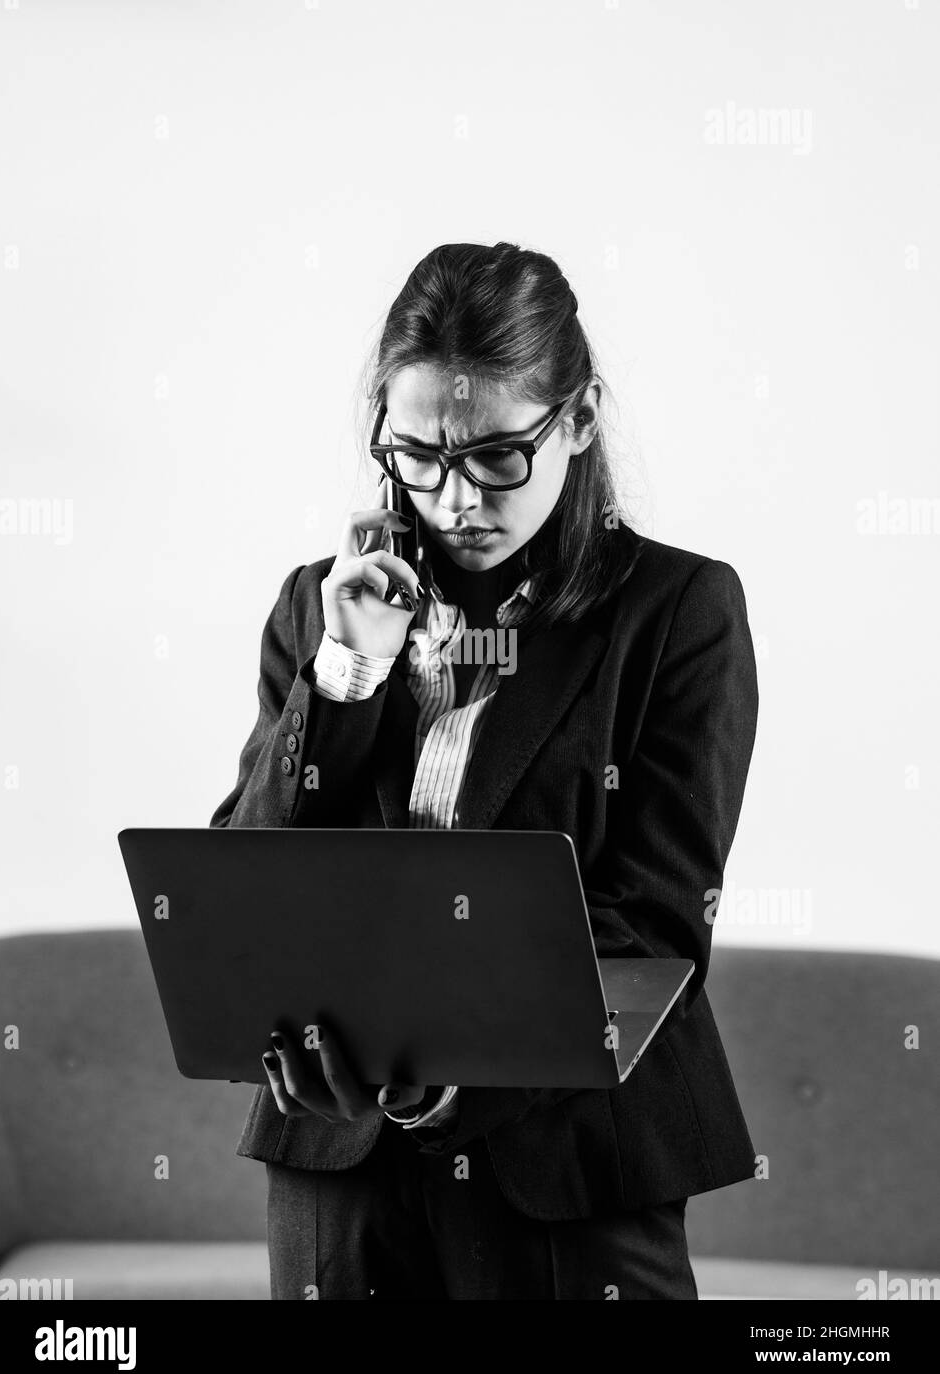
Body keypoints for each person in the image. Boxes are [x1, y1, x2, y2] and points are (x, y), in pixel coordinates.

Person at [210, 241, 759, 1300]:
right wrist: (347, 670)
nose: (454, 497)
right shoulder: (317, 606)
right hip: (340, 1155)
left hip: (569, 1159)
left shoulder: (677, 613)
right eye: (415, 454)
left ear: (580, 418)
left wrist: (452, 1061)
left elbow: (652, 919)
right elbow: (250, 881)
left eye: (498, 455)